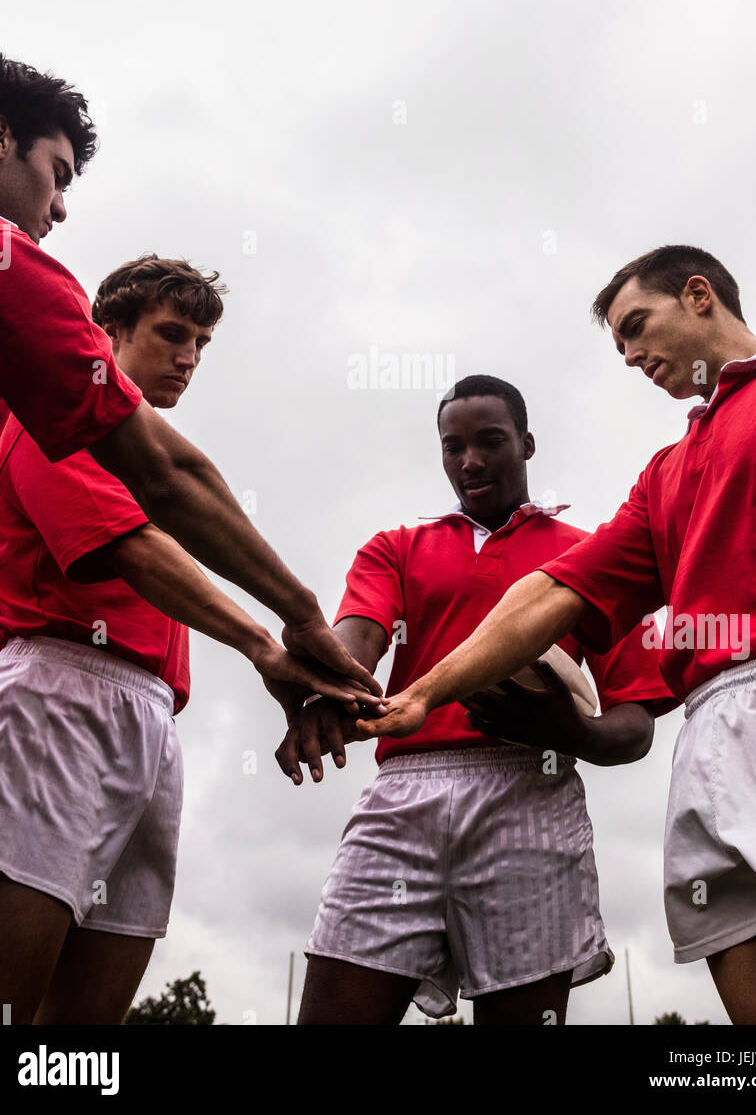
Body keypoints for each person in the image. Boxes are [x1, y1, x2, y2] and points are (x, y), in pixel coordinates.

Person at [359, 246, 756, 1025]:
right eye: (618, 345)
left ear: (700, 294)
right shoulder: (663, 474)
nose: (631, 355)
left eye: (637, 327)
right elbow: (548, 594)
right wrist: (421, 694)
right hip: (711, 744)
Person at [0, 51, 380, 705]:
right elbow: (165, 481)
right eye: (58, 174)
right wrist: (285, 627)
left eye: (201, 344)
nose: (61, 207)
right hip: (64, 690)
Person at [278, 376, 675, 1025]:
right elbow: (358, 643)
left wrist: (567, 731)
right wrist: (330, 688)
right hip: (404, 795)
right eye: (452, 446)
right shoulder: (395, 549)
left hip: (530, 789)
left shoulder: (589, 558)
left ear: (527, 443)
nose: (469, 461)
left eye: (490, 442)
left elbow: (634, 726)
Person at [0, 254, 300, 1024]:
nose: (188, 358)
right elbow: (134, 549)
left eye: (201, 345)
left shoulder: (153, 461)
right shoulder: (46, 416)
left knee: (85, 1035)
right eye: (171, 335)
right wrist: (265, 643)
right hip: (57, 697)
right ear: (106, 331)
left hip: (153, 720)